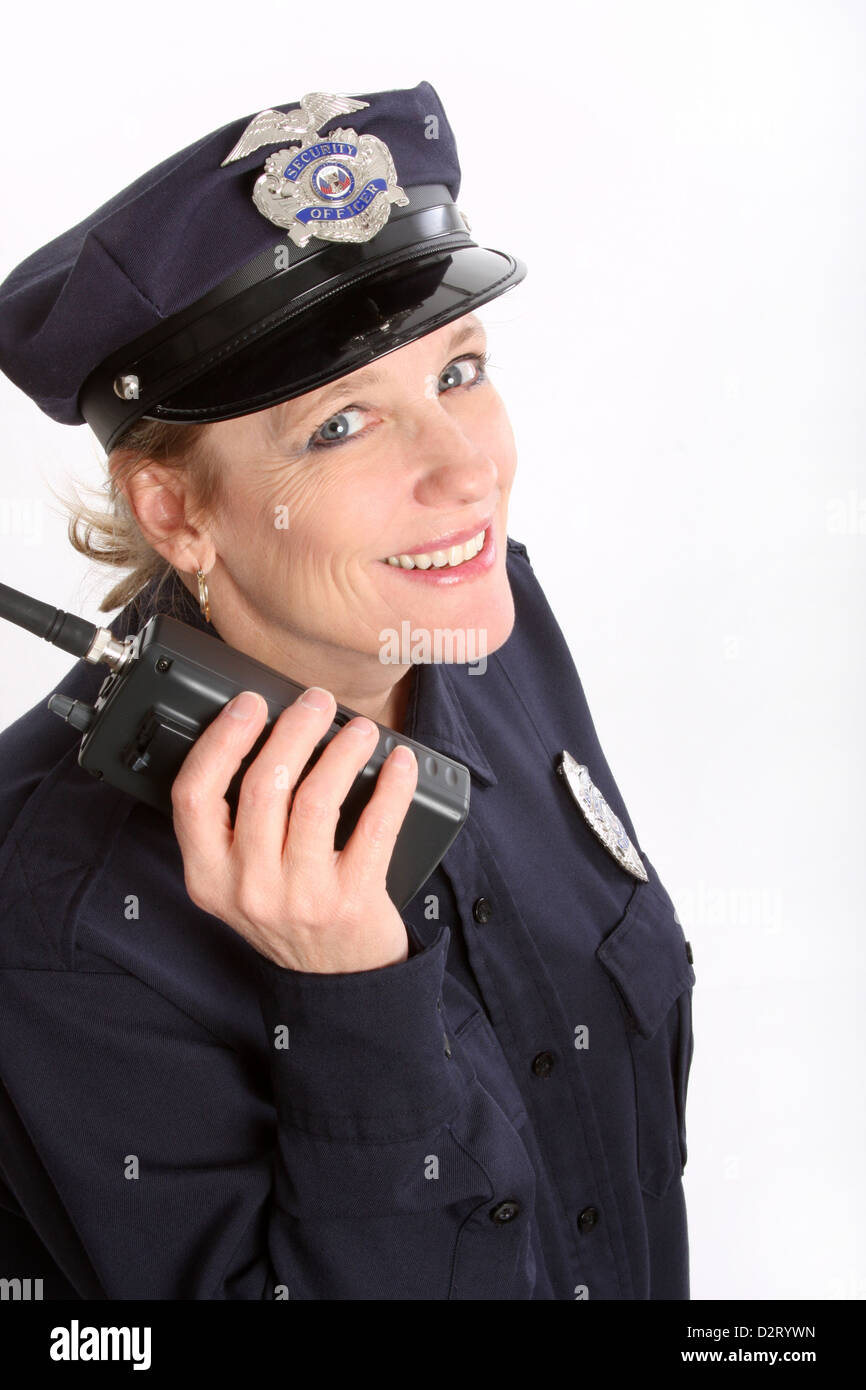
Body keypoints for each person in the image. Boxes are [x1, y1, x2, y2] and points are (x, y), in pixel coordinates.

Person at [0, 81, 696, 1300]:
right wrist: (349, 1000)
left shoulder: (481, 615)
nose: (466, 469)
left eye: (459, 370)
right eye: (341, 426)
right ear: (177, 512)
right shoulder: (50, 919)